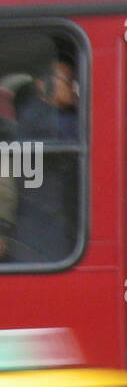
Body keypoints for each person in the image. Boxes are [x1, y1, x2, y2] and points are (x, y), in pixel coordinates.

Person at [12, 52, 80, 263]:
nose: (73, 87)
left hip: (44, 226)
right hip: (44, 234)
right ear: (42, 84)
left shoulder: (36, 115)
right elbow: (84, 131)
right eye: (68, 81)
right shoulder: (40, 119)